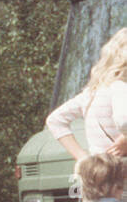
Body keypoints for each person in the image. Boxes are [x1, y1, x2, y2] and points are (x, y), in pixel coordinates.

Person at [46, 28, 127, 161]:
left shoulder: (91, 93)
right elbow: (124, 121)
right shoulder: (120, 88)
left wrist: (83, 158)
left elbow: (55, 120)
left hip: (97, 172)